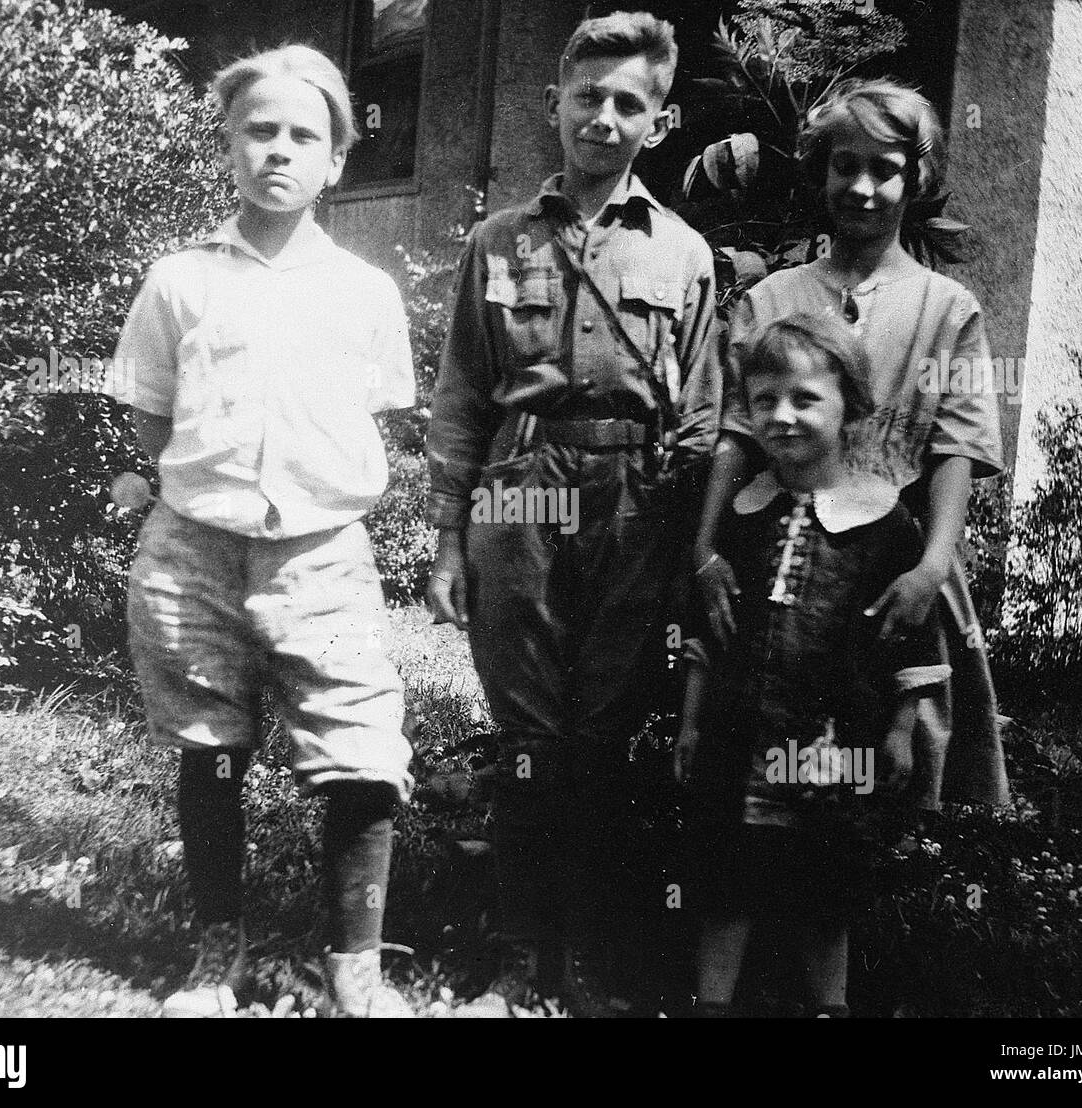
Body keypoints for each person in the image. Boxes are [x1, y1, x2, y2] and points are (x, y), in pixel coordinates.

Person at [103, 44, 417, 1018]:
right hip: (196, 547)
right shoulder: (182, 281)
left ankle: (353, 965)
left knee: (363, 755)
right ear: (229, 146)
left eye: (303, 135)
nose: (279, 150)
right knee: (213, 748)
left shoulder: (364, 290)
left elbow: (380, 415)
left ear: (336, 161)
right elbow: (153, 413)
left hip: (322, 552)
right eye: (260, 130)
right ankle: (215, 954)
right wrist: (207, 488)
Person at [425, 10, 723, 1016]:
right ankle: (521, 958)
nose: (603, 116)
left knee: (604, 727)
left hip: (635, 494)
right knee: (525, 730)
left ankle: (587, 958)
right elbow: (465, 393)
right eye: (586, 96)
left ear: (660, 119)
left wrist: (693, 546)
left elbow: (704, 411)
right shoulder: (496, 240)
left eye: (627, 102)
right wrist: (444, 536)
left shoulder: (683, 253)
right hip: (519, 481)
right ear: (554, 102)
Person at [692, 78, 1010, 819]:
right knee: (755, 734)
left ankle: (848, 914)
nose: (862, 186)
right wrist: (705, 549)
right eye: (845, 165)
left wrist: (932, 566)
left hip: (889, 559)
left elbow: (955, 449)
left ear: (916, 177)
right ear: (821, 170)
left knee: (881, 750)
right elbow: (736, 436)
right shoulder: (772, 299)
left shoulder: (946, 309)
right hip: (774, 546)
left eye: (885, 168)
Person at [675, 311, 952, 1018]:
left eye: (805, 399)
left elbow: (909, 639)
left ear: (850, 407)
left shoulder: (883, 522)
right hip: (738, 736)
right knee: (726, 881)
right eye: (764, 400)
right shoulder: (742, 511)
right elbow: (712, 632)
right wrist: (690, 722)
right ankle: (712, 1005)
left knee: (824, 890)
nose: (782, 416)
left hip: (836, 744)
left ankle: (830, 1007)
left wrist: (897, 729)